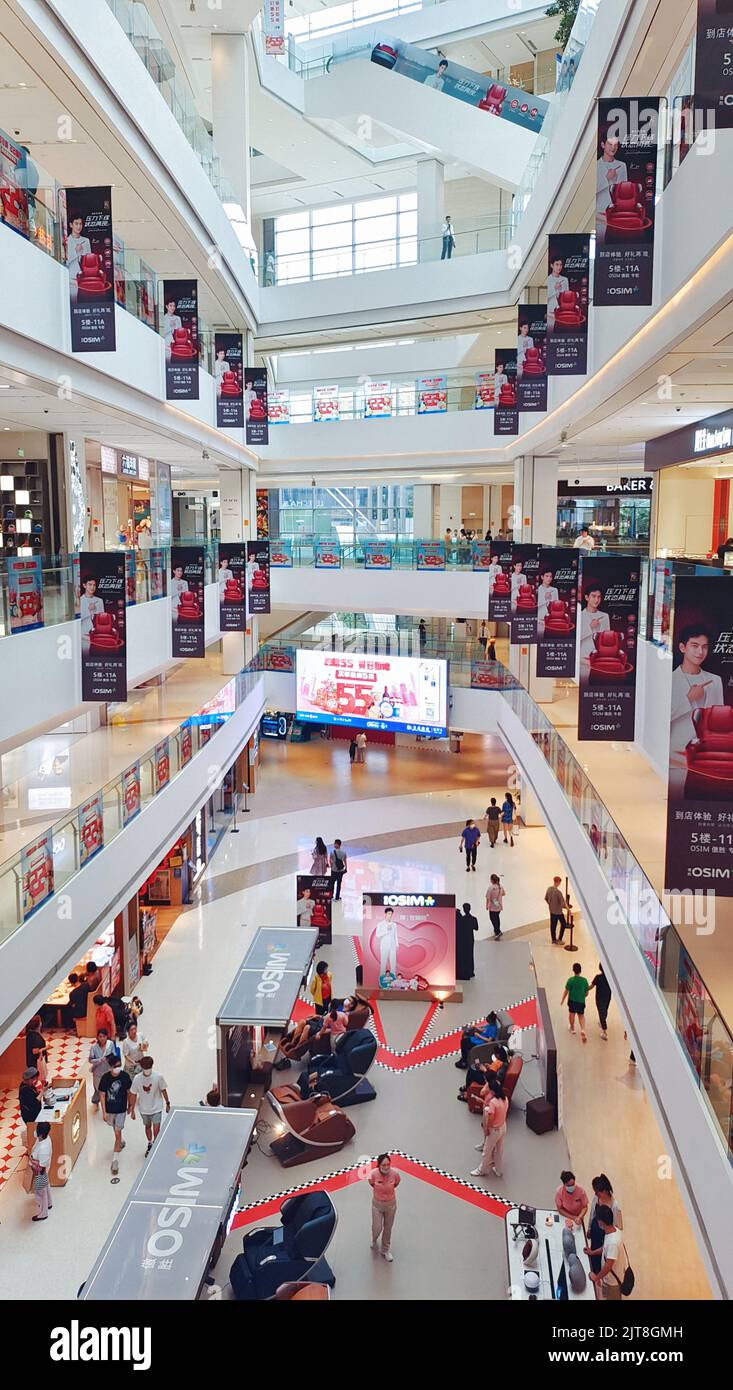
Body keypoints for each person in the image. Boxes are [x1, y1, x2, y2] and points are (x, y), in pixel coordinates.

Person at [669, 625, 723, 766]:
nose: (700, 652)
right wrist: (688, 698)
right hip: (676, 751)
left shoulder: (715, 680)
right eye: (695, 646)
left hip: (707, 753)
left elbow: (719, 721)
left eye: (704, 647)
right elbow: (661, 718)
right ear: (682, 648)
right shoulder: (669, 679)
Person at [585, 1204, 629, 1299]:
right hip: (612, 1277)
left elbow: (608, 1265)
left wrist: (597, 1277)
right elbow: (605, 1248)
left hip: (612, 1282)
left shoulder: (613, 1243)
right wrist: (592, 1252)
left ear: (601, 1223)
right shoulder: (614, 1230)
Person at [129, 1057, 170, 1156]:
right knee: (147, 1126)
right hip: (144, 1109)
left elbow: (163, 1089)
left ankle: (156, 1145)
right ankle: (150, 1143)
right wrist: (132, 1109)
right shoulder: (137, 1079)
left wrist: (168, 1103)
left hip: (157, 1107)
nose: (147, 1069)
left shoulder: (158, 1077)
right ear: (142, 1067)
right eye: (145, 1067)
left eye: (149, 1067)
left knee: (157, 1130)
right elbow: (133, 1094)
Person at [471, 1075, 508, 1179]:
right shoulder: (505, 1099)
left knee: (487, 1151)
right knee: (499, 1150)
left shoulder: (493, 1103)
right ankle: (499, 1170)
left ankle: (482, 1170)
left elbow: (491, 1118)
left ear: (493, 1091)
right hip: (503, 1126)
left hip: (495, 1129)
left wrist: (487, 1129)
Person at [99, 1055, 132, 1169]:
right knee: (115, 1129)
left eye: (119, 1065)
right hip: (110, 1110)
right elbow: (102, 1095)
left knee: (117, 1133)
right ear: (110, 1067)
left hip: (121, 1109)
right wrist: (104, 1112)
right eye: (115, 1066)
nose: (118, 1068)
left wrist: (131, 1106)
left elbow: (129, 1092)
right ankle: (121, 1142)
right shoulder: (105, 1078)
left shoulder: (125, 1076)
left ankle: (115, 1160)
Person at [587, 1175, 623, 1276]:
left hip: (604, 1237)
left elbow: (618, 1226)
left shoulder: (615, 1206)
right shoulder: (596, 1198)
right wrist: (589, 1228)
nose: (595, 1194)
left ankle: (599, 1276)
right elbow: (592, 1213)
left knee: (602, 1258)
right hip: (595, 1233)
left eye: (597, 1192)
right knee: (593, 1253)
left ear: (604, 1191)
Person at [369, 1152, 400, 1261]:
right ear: (379, 1165)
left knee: (388, 1228)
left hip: (391, 1205)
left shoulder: (395, 1174)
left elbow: (396, 1184)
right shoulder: (373, 1174)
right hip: (377, 1205)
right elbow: (371, 1183)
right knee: (377, 1227)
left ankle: (385, 1250)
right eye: (383, 1165)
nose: (386, 1167)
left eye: (388, 1165)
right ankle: (374, 1238)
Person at [596, 134, 628, 238]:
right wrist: (607, 178)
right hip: (600, 213)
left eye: (615, 144)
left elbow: (624, 191)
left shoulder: (622, 166)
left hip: (616, 213)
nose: (613, 147)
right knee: (600, 241)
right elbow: (591, 191)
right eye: (610, 144)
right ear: (602, 145)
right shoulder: (595, 166)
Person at [579, 580, 610, 674]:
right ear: (586, 597)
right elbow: (576, 638)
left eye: (599, 597)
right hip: (583, 659)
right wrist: (590, 627)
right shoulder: (580, 616)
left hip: (599, 660)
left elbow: (607, 641)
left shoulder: (605, 616)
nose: (596, 600)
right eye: (593, 596)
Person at [30, 1121, 53, 1221]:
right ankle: (49, 1203)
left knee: (41, 1191)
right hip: (43, 1170)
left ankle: (43, 1213)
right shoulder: (45, 1138)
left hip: (40, 1172)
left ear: (40, 1134)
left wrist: (32, 1162)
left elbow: (41, 1167)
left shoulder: (44, 1148)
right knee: (46, 1186)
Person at [562, 962, 591, 1042]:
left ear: (573, 970)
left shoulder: (571, 980)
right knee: (581, 1015)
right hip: (581, 1001)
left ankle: (572, 1028)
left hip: (572, 1000)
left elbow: (566, 991)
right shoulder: (584, 981)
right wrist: (583, 995)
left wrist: (562, 1000)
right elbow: (587, 993)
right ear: (580, 971)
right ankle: (582, 1029)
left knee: (572, 1014)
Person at [89, 1028, 117, 1109]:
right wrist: (100, 1060)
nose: (102, 1038)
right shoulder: (93, 1047)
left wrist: (111, 1059)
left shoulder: (110, 1044)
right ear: (97, 1037)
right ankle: (96, 1101)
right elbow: (91, 1060)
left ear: (106, 1036)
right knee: (98, 1090)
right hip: (98, 1072)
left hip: (108, 1071)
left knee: (109, 1089)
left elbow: (114, 1054)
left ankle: (108, 1104)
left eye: (104, 1036)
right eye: (100, 1036)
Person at [455, 902, 479, 980]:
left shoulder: (462, 919)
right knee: (470, 954)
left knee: (465, 955)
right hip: (470, 939)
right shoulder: (473, 919)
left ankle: (466, 970)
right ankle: (471, 971)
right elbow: (476, 928)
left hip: (464, 939)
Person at [589, 963, 612, 1039]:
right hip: (607, 996)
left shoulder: (598, 977)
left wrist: (584, 989)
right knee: (605, 1010)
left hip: (599, 997)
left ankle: (604, 1032)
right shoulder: (610, 978)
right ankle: (602, 1022)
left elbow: (591, 986)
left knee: (601, 1011)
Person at [376, 907, 399, 980]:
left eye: (391, 914)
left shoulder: (394, 924)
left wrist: (397, 944)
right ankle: (381, 979)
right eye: (389, 914)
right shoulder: (380, 924)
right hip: (384, 945)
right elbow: (377, 935)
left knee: (393, 963)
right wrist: (386, 930)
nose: (390, 915)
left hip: (392, 946)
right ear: (385, 914)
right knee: (383, 963)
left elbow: (396, 935)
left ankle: (393, 979)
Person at [19, 1068, 41, 1146]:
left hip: (32, 1113)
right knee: (35, 1131)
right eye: (35, 1079)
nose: (36, 1081)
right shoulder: (25, 1090)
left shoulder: (27, 1085)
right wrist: (43, 1092)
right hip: (30, 1116)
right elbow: (35, 1102)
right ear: (30, 1079)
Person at [545, 875, 568, 944]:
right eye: (560, 882)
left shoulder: (549, 889)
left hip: (551, 911)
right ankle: (559, 939)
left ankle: (554, 940)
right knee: (564, 924)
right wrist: (569, 910)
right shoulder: (558, 892)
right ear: (558, 882)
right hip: (558, 912)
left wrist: (551, 904)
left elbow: (546, 898)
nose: (560, 884)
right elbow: (563, 904)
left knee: (553, 926)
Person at [547, 254, 570, 323]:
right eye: (556, 264)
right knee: (550, 330)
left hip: (562, 311)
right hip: (551, 311)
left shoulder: (565, 279)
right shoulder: (548, 280)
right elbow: (545, 297)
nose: (559, 267)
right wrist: (554, 288)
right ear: (552, 266)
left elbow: (567, 296)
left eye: (560, 265)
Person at [25, 1016, 48, 1084]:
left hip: (31, 1061)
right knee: (41, 1075)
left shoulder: (30, 1034)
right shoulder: (35, 1037)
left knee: (38, 1077)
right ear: (39, 1024)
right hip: (37, 1062)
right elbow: (35, 1051)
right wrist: (46, 1048)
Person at [486, 874, 505, 939]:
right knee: (497, 917)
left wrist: (486, 905)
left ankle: (497, 932)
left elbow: (488, 898)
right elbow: (504, 894)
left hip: (492, 907)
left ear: (492, 880)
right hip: (499, 906)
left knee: (493, 919)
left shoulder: (490, 888)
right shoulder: (500, 887)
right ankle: (497, 930)